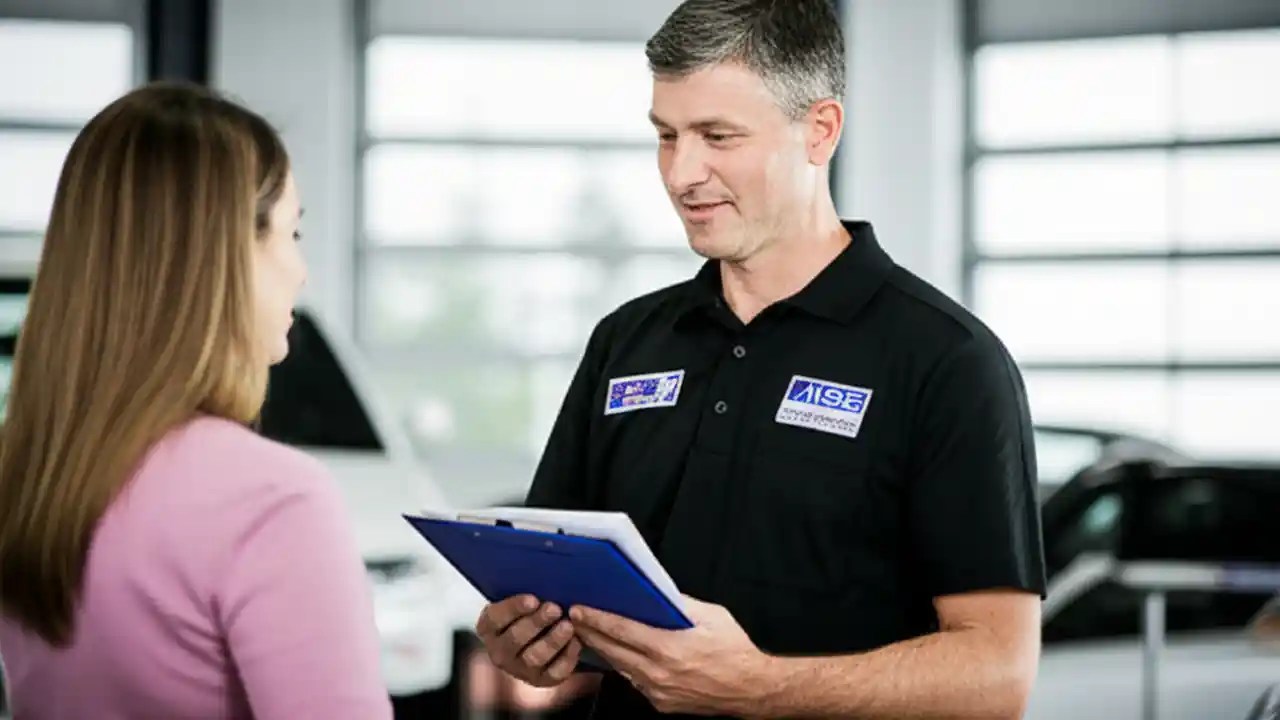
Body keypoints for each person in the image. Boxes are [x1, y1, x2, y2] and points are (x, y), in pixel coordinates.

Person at [473, 0, 1046, 718]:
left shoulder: (948, 363)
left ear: (820, 130)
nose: (683, 174)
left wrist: (758, 687)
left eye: (718, 136)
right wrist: (524, 636)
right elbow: (552, 583)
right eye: (666, 136)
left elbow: (998, 675)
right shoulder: (626, 344)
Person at [0, 83, 393, 719]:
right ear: (225, 256)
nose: (300, 270)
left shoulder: (30, 475)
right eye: (290, 234)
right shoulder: (272, 498)